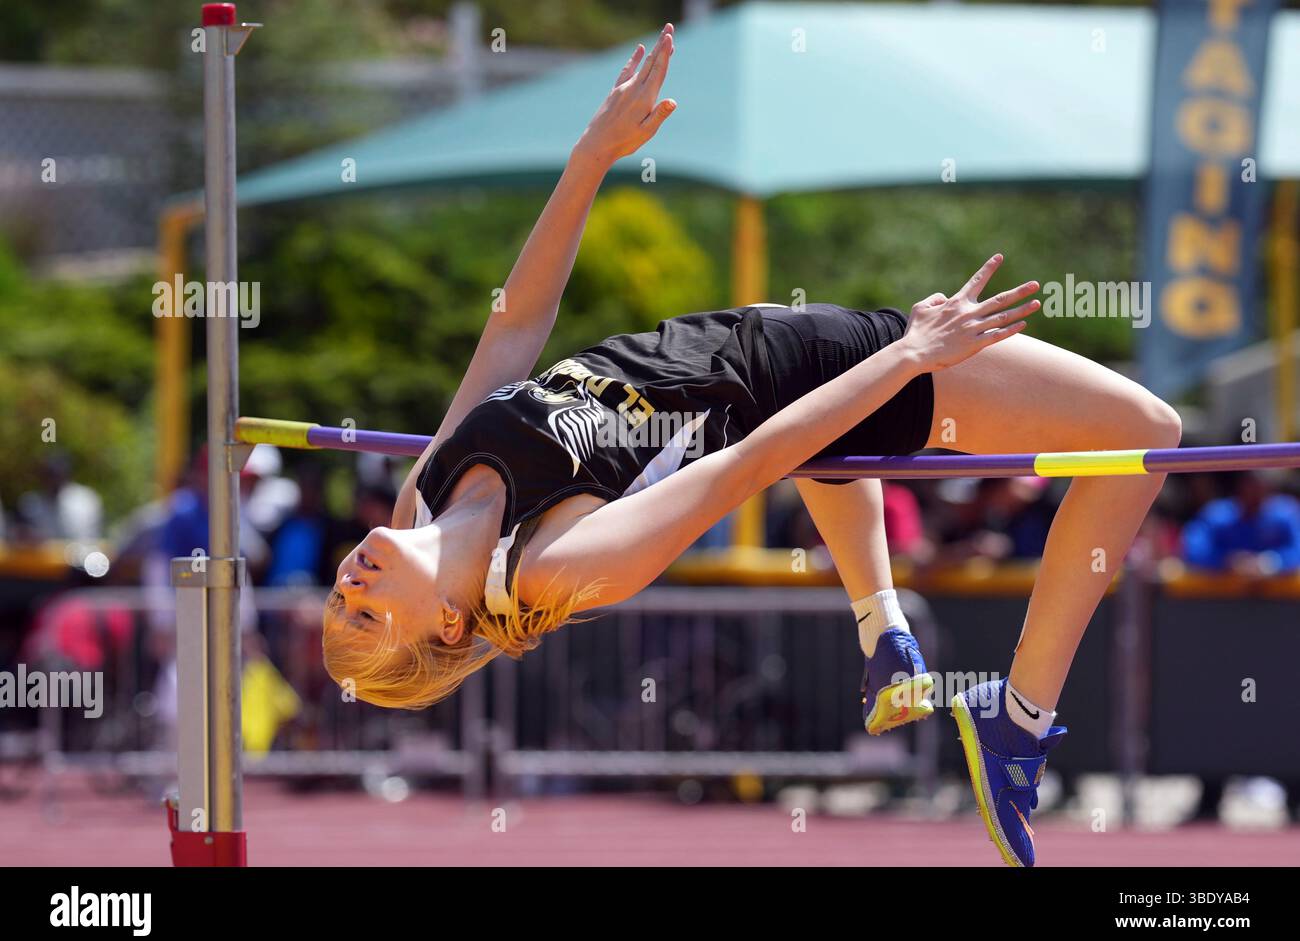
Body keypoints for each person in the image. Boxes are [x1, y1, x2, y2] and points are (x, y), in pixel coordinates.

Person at [322, 24, 1181, 867]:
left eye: (336, 602)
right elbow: (755, 459)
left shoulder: (422, 496)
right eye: (366, 615)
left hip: (761, 342)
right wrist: (905, 357)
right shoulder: (557, 567)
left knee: (867, 445)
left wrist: (589, 159)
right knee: (1146, 432)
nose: (347, 586)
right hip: (804, 371)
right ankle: (1019, 719)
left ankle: (885, 638)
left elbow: (512, 334)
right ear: (442, 622)